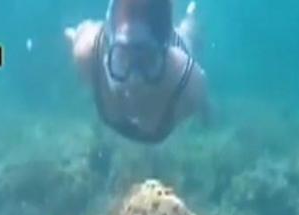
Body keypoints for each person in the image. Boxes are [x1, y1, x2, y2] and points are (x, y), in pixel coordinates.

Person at [65, 0, 207, 144]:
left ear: (165, 57)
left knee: (187, 34)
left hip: (175, 46)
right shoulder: (88, 54)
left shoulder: (186, 85)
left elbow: (200, 98)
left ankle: (191, 18)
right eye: (123, 58)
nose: (134, 81)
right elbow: (77, 36)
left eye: (147, 61)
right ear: (107, 51)